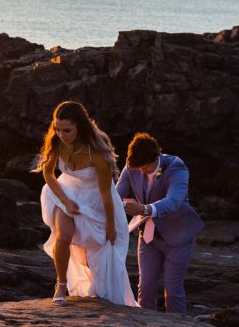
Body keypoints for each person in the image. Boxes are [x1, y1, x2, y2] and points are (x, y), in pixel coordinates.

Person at [35, 101, 138, 307]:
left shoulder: (97, 152)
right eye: (57, 129)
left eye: (67, 130)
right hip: (66, 192)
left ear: (79, 127)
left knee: (100, 251)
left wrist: (110, 225)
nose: (61, 134)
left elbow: (106, 193)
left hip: (97, 199)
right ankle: (61, 284)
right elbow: (48, 173)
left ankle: (97, 289)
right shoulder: (57, 142)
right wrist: (66, 201)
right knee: (63, 237)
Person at [116, 132, 203, 314]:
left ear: (156, 156)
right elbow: (115, 195)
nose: (141, 171)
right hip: (148, 237)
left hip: (178, 235)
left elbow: (174, 201)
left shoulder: (176, 167)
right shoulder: (134, 165)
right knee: (145, 287)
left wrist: (143, 209)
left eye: (145, 167)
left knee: (172, 292)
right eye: (137, 168)